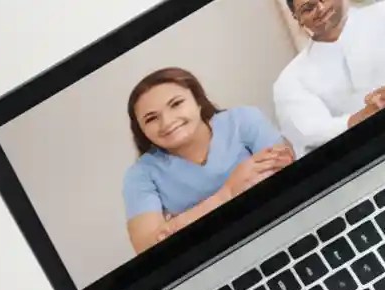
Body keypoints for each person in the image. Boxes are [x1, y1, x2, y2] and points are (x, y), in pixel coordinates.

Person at [123, 68, 293, 255]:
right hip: (209, 256)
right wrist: (227, 193)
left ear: (198, 101)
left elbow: (287, 174)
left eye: (176, 104)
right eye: (151, 118)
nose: (167, 122)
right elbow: (149, 247)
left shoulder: (243, 120)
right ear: (142, 130)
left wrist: (180, 222)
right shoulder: (140, 174)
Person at [274, 0, 385, 156]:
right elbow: (309, 133)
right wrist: (363, 116)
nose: (321, 9)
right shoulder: (290, 80)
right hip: (361, 160)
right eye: (308, 8)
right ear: (298, 18)